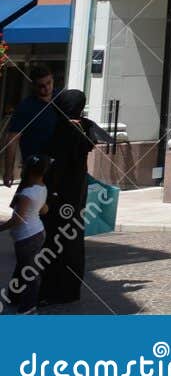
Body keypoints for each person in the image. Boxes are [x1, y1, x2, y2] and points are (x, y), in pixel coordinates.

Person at [40, 90, 104, 306]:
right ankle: (70, 288)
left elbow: (56, 163)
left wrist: (48, 193)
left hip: (59, 193)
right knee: (73, 239)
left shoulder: (63, 129)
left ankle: (52, 289)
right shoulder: (85, 127)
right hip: (77, 193)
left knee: (54, 238)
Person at [2, 154, 50, 315]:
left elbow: (17, 220)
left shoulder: (26, 193)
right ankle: (17, 298)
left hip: (27, 237)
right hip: (36, 233)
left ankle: (28, 308)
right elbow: (45, 209)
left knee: (30, 273)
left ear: (27, 171)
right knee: (27, 269)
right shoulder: (42, 187)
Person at [5, 66, 58, 168]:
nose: (46, 88)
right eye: (41, 86)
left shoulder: (62, 98)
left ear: (52, 79)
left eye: (49, 83)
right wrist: (8, 170)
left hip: (58, 163)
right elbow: (12, 139)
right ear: (33, 86)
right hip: (34, 165)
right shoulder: (25, 107)